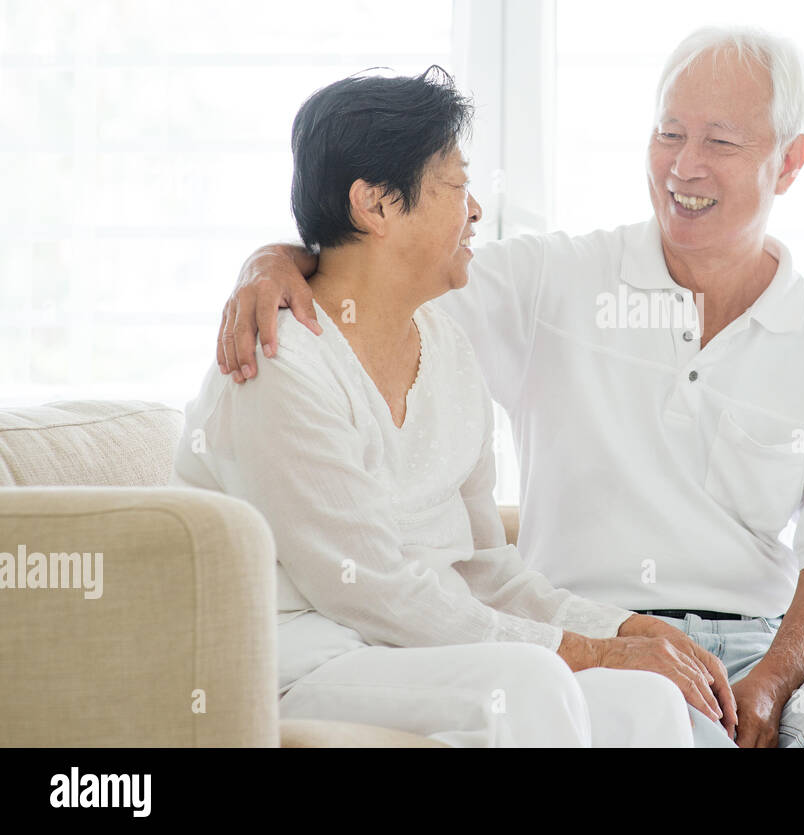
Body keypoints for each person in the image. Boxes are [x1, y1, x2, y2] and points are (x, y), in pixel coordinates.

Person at [215, 28, 804, 748]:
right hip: (578, 624)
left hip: (753, 643)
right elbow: (372, 268)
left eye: (720, 142)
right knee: (671, 721)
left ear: (789, 161)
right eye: (670, 133)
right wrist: (272, 262)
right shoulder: (547, 285)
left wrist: (770, 684)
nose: (685, 165)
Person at [173, 65, 733, 747]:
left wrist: (618, 629)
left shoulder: (449, 348)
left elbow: (483, 568)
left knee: (644, 698)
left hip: (415, 651)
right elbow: (371, 589)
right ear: (375, 205)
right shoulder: (281, 367)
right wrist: (587, 652)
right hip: (302, 658)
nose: (475, 209)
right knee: (532, 683)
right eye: (458, 184)